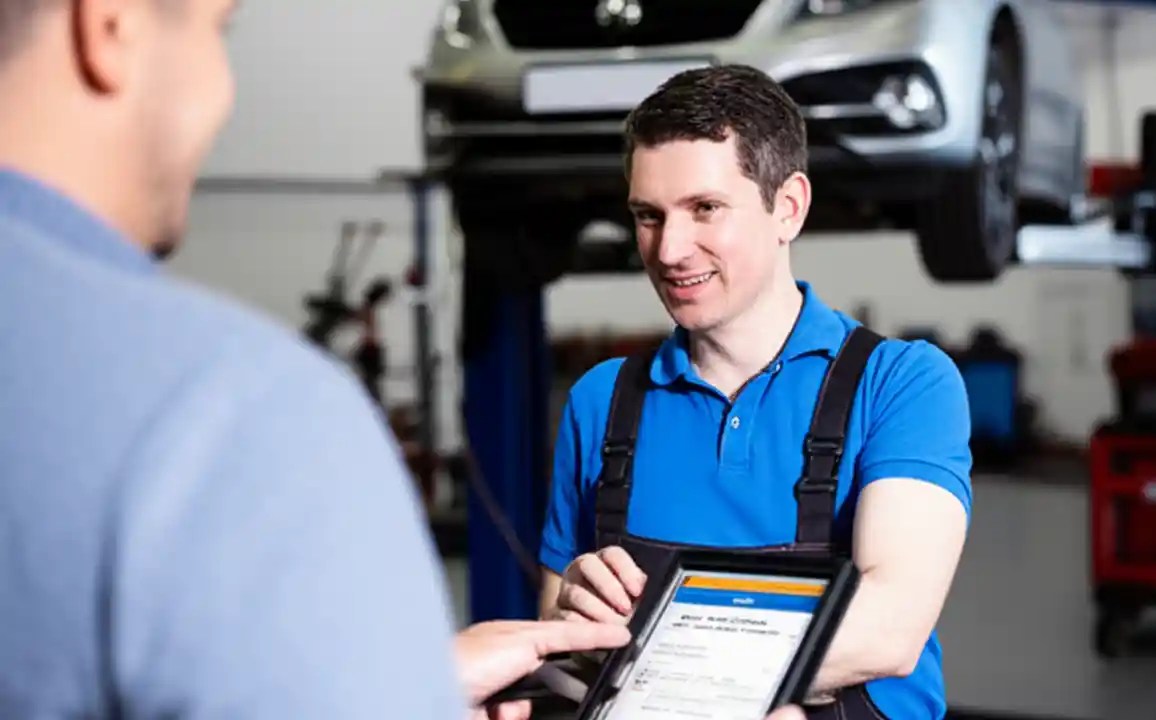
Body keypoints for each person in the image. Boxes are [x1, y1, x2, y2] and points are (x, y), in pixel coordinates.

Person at [0, 1, 635, 718]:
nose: (223, 88)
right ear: (109, 26)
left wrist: (422, 682)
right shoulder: (237, 413)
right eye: (219, 33)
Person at [539, 65, 973, 719]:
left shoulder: (901, 384)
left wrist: (640, 664)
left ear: (788, 207)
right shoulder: (600, 402)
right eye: (648, 216)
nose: (670, 249)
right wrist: (574, 617)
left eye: (705, 209)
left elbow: (889, 631)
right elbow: (553, 640)